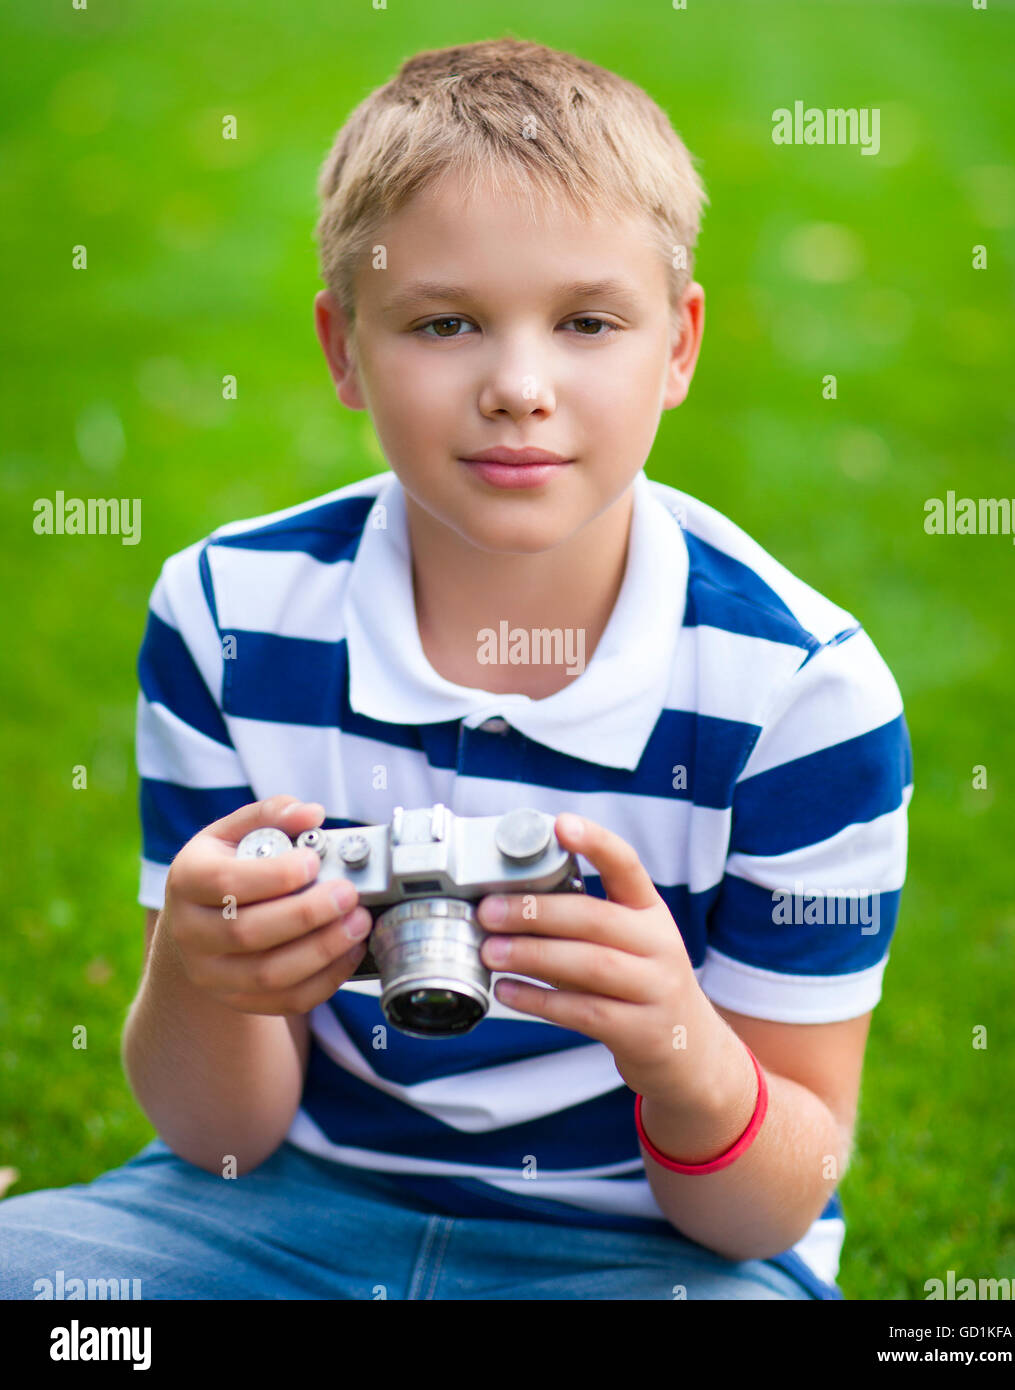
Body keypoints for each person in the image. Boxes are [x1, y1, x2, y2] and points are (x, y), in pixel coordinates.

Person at [0, 37, 912, 1301]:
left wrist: (681, 1048)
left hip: (642, 1251)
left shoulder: (801, 698)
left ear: (681, 343)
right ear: (343, 347)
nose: (519, 388)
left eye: (589, 321)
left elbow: (772, 1205)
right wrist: (204, 981)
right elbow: (219, 1139)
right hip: (284, 1209)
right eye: (445, 323)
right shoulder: (229, 617)